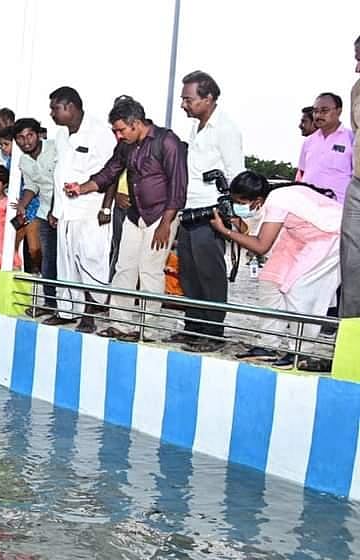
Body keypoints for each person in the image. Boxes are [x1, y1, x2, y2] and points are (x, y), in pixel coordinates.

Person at [66, 96, 188, 341]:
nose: (119, 136)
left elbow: (178, 187)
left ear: (136, 123)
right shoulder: (126, 145)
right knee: (124, 268)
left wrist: (166, 224)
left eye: (121, 130)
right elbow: (109, 172)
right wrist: (82, 187)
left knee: (150, 271)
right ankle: (121, 325)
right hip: (135, 215)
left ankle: (149, 330)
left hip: (161, 216)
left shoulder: (168, 142)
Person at [211, 173, 340, 371]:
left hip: (329, 236)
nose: (238, 205)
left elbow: (261, 245)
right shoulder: (269, 200)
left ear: (257, 200)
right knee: (270, 281)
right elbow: (253, 234)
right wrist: (236, 224)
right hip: (299, 235)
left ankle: (300, 351)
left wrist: (225, 231)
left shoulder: (277, 201)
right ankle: (268, 346)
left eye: (241, 202)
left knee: (299, 290)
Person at [174, 70, 244, 352]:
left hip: (211, 212)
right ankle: (194, 327)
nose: (183, 104)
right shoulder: (196, 127)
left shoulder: (226, 129)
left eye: (188, 99)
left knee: (210, 274)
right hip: (189, 208)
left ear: (208, 98)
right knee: (188, 272)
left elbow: (236, 174)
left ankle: (213, 333)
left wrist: (230, 215)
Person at [46, 86, 116, 331]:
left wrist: (107, 208)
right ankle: (66, 311)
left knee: (90, 261)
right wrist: (55, 210)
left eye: (55, 108)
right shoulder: (62, 135)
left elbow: (113, 173)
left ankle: (90, 314)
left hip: (90, 210)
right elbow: (59, 174)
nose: (51, 113)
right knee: (65, 264)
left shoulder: (100, 133)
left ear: (70, 107)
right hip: (66, 211)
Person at [13, 118, 55, 280]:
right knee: (46, 257)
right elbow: (31, 186)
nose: (26, 141)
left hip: (65, 210)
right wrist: (22, 205)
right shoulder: (24, 160)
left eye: (30, 135)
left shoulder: (54, 148)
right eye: (20, 138)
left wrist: (56, 209)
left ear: (38, 135)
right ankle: (49, 300)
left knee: (67, 259)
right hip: (44, 212)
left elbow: (62, 179)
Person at [297, 92, 354, 204]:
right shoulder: (308, 141)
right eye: (316, 111)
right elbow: (302, 172)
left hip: (339, 207)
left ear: (338, 111)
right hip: (308, 206)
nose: (318, 116)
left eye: (324, 111)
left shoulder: (352, 138)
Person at [342, 34, 360, 319]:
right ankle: (350, 342)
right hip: (357, 186)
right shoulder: (357, 88)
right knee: (352, 265)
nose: (356, 67)